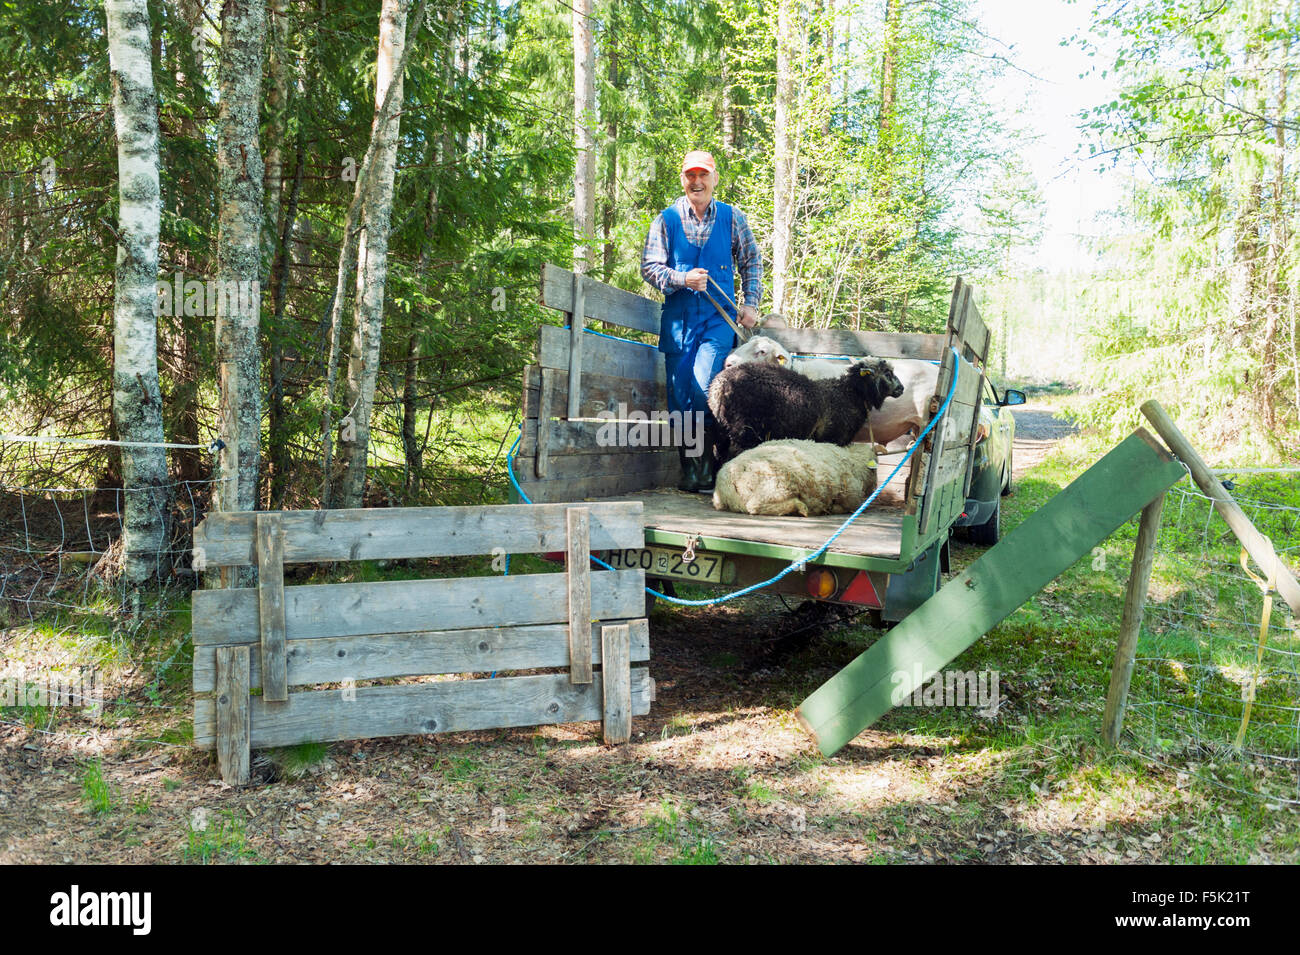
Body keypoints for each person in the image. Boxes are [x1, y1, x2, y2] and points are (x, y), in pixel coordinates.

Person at [641, 150, 763, 492]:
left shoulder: (732, 218)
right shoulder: (665, 220)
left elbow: (752, 262)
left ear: (714, 178)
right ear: (683, 179)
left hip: (717, 320)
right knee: (679, 398)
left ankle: (709, 465)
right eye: (690, 175)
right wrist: (682, 279)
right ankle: (690, 471)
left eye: (703, 175)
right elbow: (649, 267)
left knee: (704, 388)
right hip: (678, 322)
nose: (697, 182)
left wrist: (750, 304)